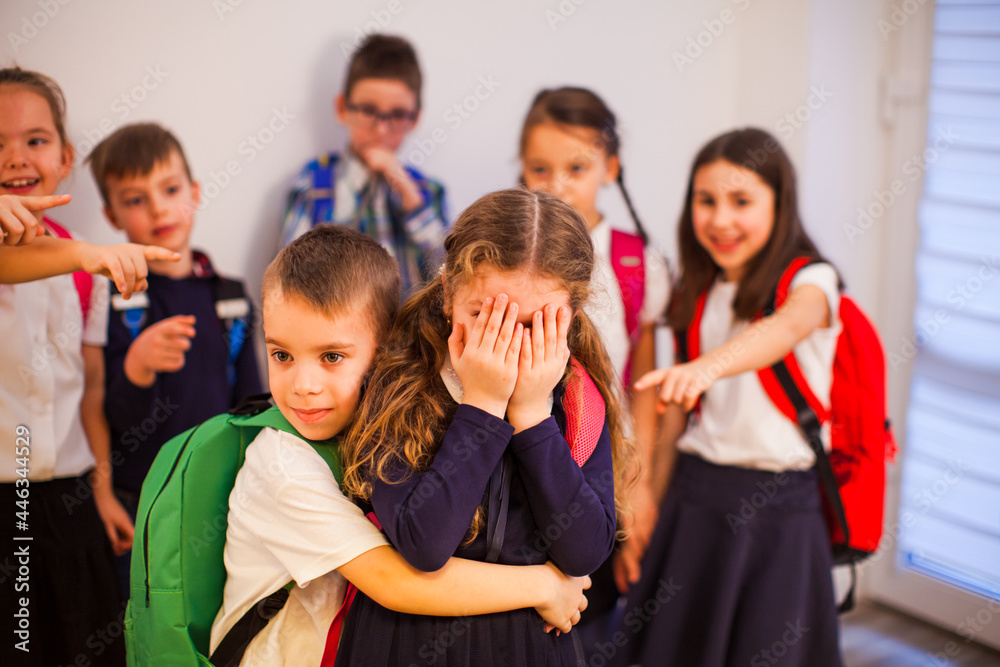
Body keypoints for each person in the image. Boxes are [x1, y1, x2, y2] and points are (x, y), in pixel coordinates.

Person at [211, 225, 590, 666]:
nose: (303, 386)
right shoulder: (280, 465)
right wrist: (546, 585)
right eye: (281, 356)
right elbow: (395, 582)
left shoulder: (381, 428)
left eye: (331, 357)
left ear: (386, 351)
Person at [336, 188, 635, 666]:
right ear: (450, 295)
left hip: (528, 647)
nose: (507, 345)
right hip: (404, 642)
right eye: (485, 317)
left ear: (571, 316)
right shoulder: (401, 381)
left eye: (533, 324)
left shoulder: (579, 400)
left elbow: (583, 553)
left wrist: (534, 418)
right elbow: (424, 545)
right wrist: (484, 405)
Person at [615, 128, 844, 666]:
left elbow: (785, 329)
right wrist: (644, 495)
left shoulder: (811, 280)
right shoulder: (696, 290)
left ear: (779, 204)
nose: (721, 219)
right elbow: (678, 419)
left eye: (742, 202)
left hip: (779, 513)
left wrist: (706, 367)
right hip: (694, 501)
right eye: (706, 200)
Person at [519, 87, 671, 649]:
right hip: (521, 460)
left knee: (592, 618)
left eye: (576, 168)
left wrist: (642, 481)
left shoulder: (636, 262)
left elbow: (643, 388)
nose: (556, 184)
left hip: (603, 472)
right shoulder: (506, 250)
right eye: (540, 168)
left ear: (609, 167)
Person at [87, 122, 262, 596]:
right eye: (135, 198)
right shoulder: (114, 299)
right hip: (138, 503)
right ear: (111, 213)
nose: (159, 208)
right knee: (143, 626)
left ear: (195, 191)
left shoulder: (231, 298)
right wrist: (137, 366)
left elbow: (252, 406)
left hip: (218, 501)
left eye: (170, 189)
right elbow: (111, 415)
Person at [0, 66, 127, 667]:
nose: (15, 158)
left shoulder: (88, 270)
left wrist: (101, 491)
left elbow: (92, 391)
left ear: (66, 156)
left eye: (34, 139)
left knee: (88, 642)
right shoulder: (89, 255)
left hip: (70, 499)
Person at [281, 34, 449, 297]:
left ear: (414, 118)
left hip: (412, 337)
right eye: (368, 110)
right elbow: (289, 282)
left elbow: (452, 275)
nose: (381, 129)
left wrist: (408, 195)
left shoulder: (429, 192)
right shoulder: (310, 187)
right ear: (342, 108)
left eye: (397, 115)